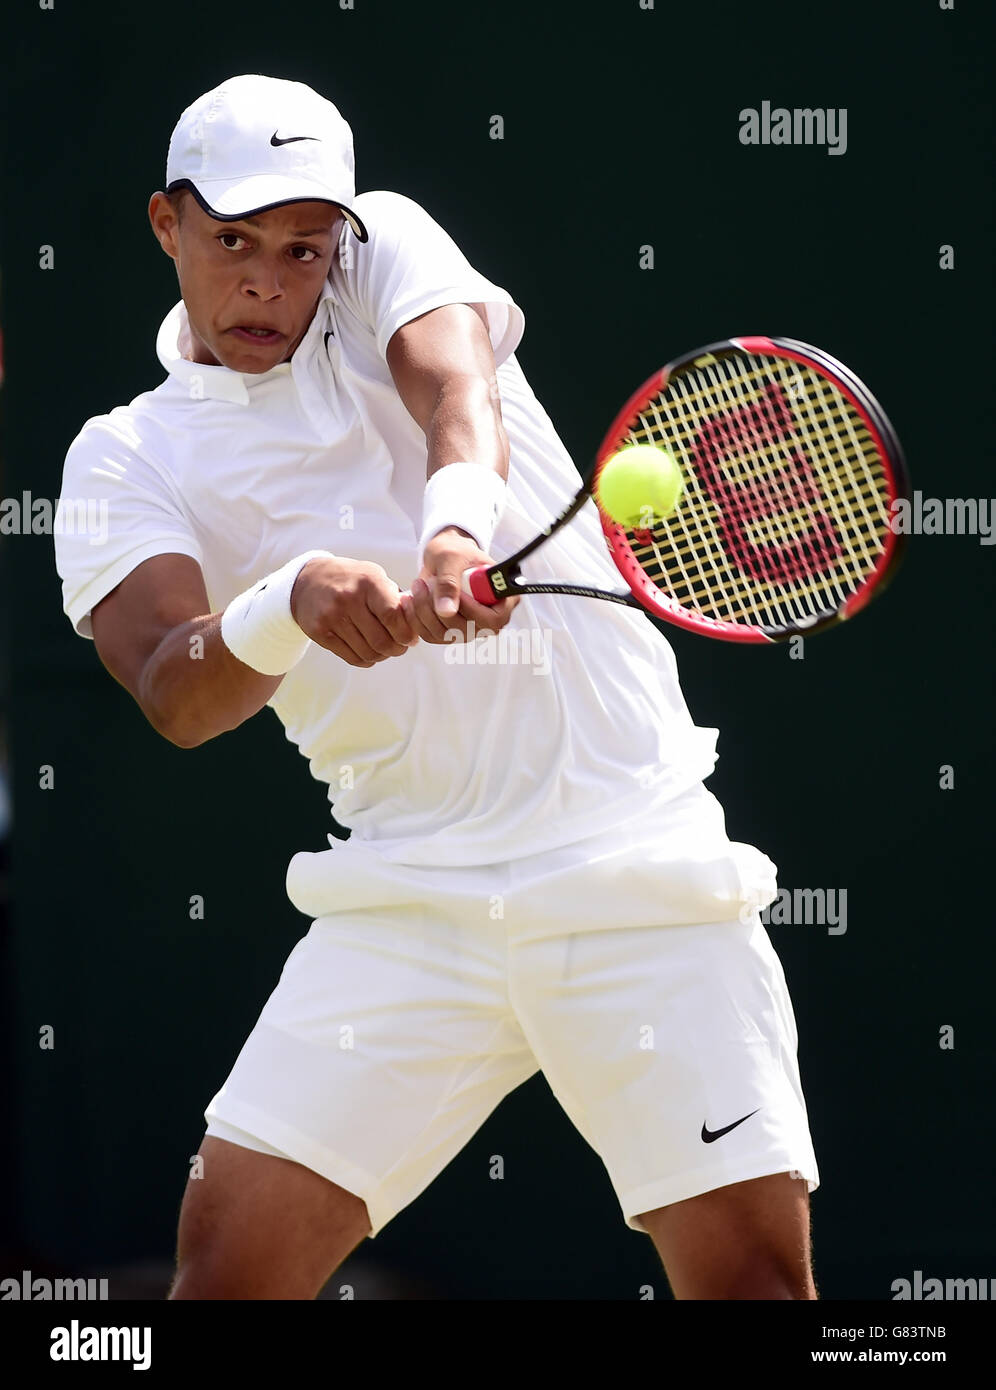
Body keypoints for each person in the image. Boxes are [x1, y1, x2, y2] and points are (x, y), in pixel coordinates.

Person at [54, 74, 819, 1300]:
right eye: (232, 241)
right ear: (166, 224)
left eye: (301, 249)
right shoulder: (124, 457)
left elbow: (457, 391)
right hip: (406, 893)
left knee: (754, 1289)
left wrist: (454, 534)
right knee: (229, 1268)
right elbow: (171, 688)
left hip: (631, 857)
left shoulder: (387, 246)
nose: (267, 281)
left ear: (341, 239)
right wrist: (289, 599)